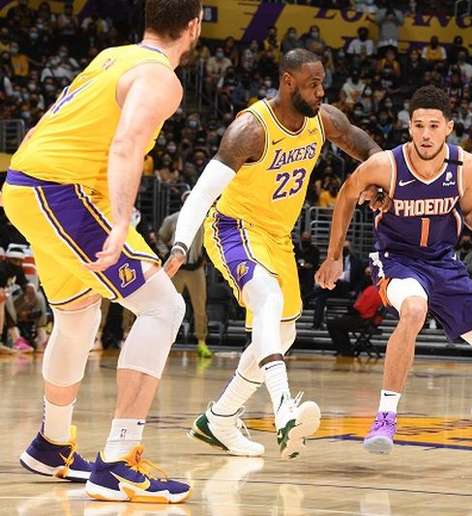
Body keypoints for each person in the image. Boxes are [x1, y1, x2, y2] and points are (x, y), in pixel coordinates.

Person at [5, 0, 202, 503]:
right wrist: (119, 220)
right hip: (62, 190)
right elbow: (126, 143)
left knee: (78, 315)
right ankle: (118, 462)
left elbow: (42, 127)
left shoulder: (113, 56)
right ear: (194, 26)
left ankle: (52, 444)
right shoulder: (161, 77)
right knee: (163, 306)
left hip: (30, 184)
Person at [167, 49, 382, 458]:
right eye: (312, 85)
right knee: (266, 298)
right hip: (232, 228)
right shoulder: (251, 129)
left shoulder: (324, 120)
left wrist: (380, 179)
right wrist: (180, 243)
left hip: (277, 237)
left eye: (322, 84)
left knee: (285, 332)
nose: (321, 92)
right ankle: (284, 408)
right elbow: (202, 193)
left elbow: (368, 149)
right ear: (287, 82)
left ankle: (219, 419)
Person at [316, 85, 472, 460]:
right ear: (410, 127)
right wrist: (334, 255)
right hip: (397, 259)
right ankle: (385, 416)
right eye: (419, 125)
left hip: (444, 263)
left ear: (449, 127)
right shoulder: (386, 165)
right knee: (414, 309)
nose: (426, 134)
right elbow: (348, 194)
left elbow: (470, 208)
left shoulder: (466, 165)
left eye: (434, 125)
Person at [157, 190, 211, 358]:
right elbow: (160, 239)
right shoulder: (172, 219)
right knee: (169, 306)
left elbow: (210, 241)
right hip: (177, 270)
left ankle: (201, 342)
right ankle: (163, 342)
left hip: (196, 269)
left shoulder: (204, 220)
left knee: (200, 307)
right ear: (183, 202)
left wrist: (205, 257)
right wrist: (167, 255)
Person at [326, 274, 383, 356]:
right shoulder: (378, 291)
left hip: (363, 319)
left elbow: (360, 308)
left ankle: (345, 350)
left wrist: (348, 313)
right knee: (340, 324)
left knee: (332, 323)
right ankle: (346, 349)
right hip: (368, 320)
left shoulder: (372, 290)